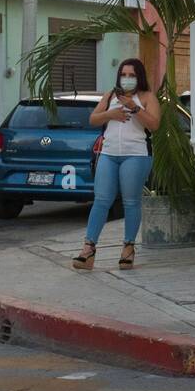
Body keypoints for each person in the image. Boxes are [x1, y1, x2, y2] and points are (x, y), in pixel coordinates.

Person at [73, 59, 160, 271]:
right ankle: (88, 248)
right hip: (109, 153)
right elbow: (94, 119)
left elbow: (155, 125)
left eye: (132, 75)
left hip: (136, 155)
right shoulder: (111, 95)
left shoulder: (147, 97)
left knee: (130, 201)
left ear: (139, 77)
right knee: (101, 200)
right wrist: (110, 114)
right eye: (124, 74)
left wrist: (135, 108)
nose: (127, 79)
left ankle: (128, 249)